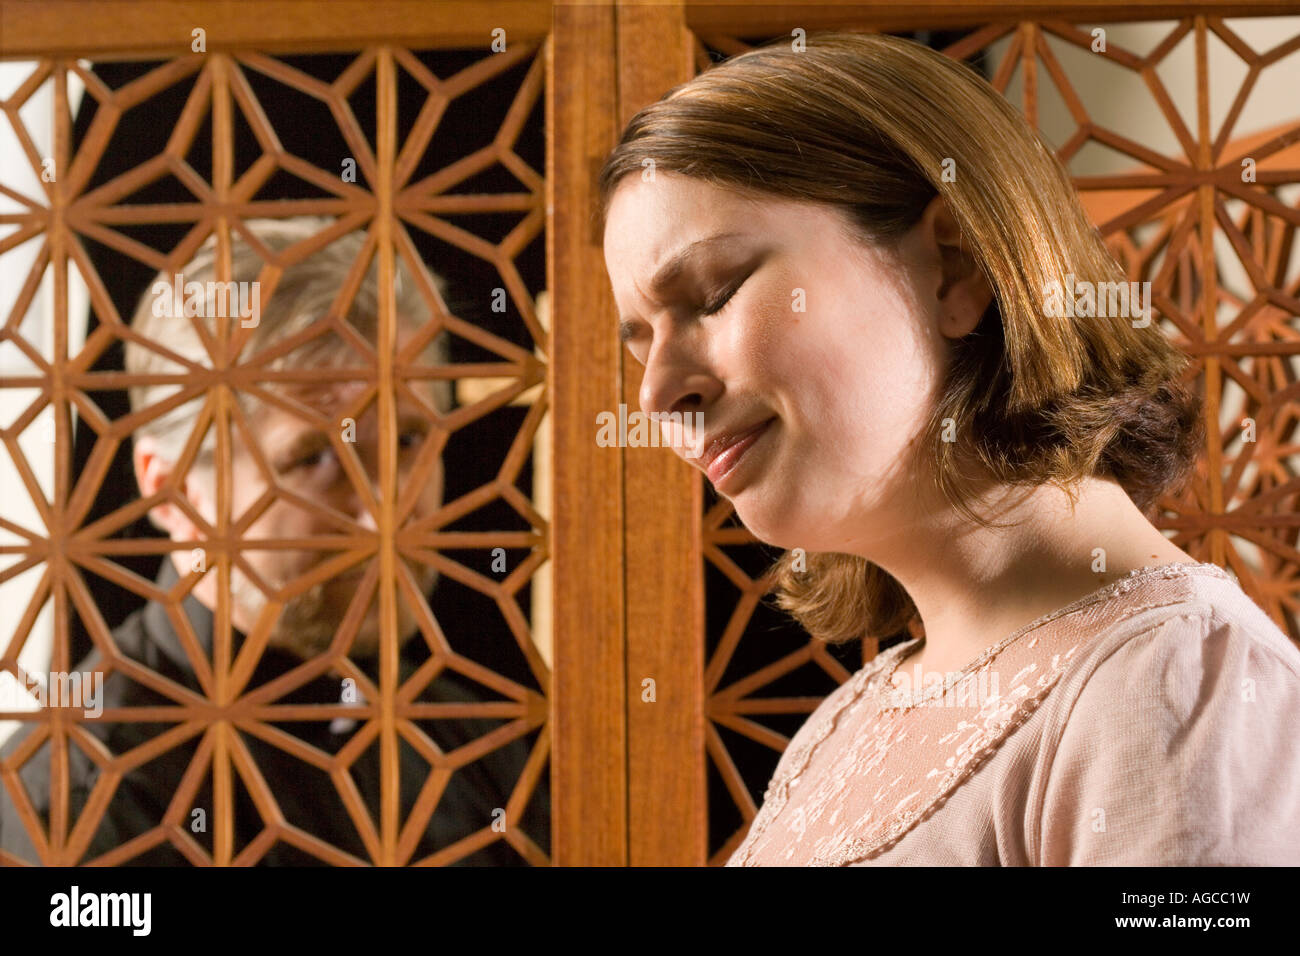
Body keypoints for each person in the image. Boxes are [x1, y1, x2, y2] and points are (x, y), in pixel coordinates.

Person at [600, 32, 1300, 865]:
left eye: (713, 294)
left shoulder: (1180, 686)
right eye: (641, 342)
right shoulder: (847, 722)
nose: (655, 394)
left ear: (954, 266)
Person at [0, 218, 548, 865]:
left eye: (407, 442)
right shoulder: (78, 806)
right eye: (315, 457)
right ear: (173, 493)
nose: (385, 519)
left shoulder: (484, 752)